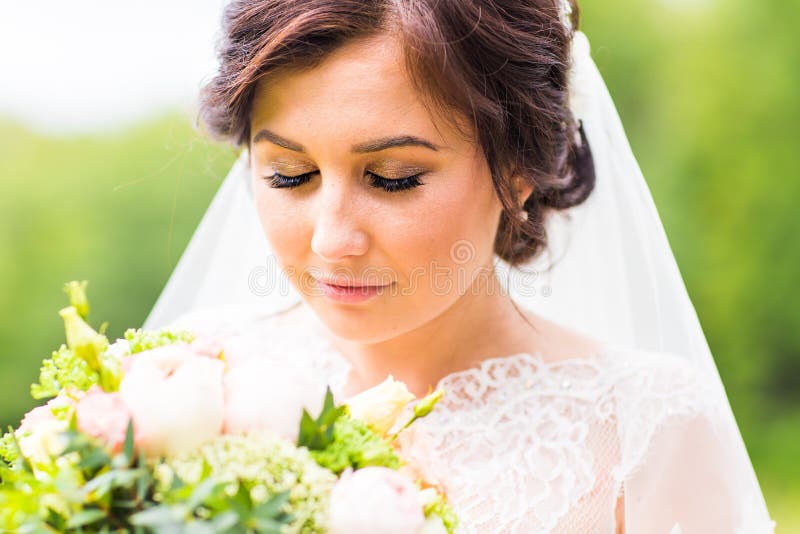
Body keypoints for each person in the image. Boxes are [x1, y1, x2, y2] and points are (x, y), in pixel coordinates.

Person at [145, 0, 777, 532]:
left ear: (518, 170)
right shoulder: (188, 380)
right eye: (290, 175)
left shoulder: (646, 429)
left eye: (393, 179)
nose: (333, 240)